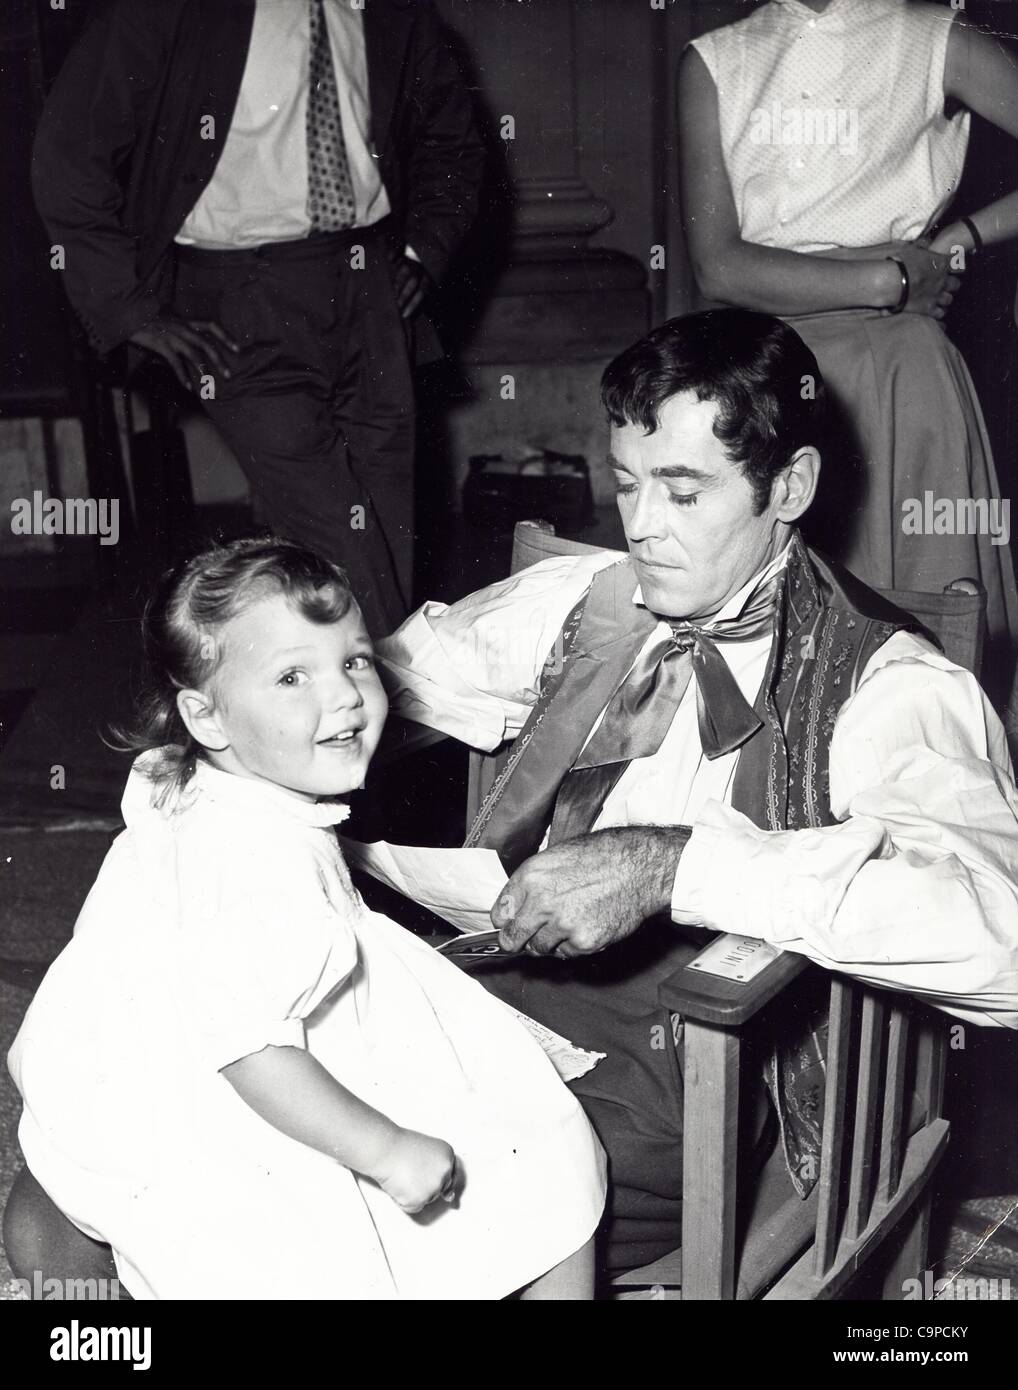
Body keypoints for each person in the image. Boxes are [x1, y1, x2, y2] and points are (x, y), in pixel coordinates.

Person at [377, 309, 1018, 1274]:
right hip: (502, 990)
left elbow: (1004, 943)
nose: (641, 528)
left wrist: (675, 866)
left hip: (709, 1065)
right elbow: (384, 680)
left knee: (426, 1192)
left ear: (788, 487)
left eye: (684, 492)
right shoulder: (589, 602)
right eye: (629, 485)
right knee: (292, 1104)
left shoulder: (888, 688)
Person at [7, 538, 604, 1300]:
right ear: (207, 715)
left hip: (178, 1042)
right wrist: (387, 1151)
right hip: (255, 1073)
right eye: (293, 676)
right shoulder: (264, 875)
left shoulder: (181, 781)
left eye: (354, 660)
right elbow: (250, 1049)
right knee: (543, 1146)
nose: (347, 695)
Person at [31, 0, 485, 634]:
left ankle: (346, 715)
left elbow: (453, 141)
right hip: (240, 304)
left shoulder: (390, 10)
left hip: (374, 290)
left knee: (383, 525)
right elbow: (69, 153)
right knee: (339, 540)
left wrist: (422, 253)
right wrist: (130, 309)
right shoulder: (166, 13)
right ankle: (382, 710)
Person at [678, 0, 1018, 703]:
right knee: (779, 653)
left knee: (929, 649)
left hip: (902, 377)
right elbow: (718, 266)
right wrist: (886, 278)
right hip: (764, 371)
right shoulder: (715, 60)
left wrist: (962, 240)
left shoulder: (935, 39)